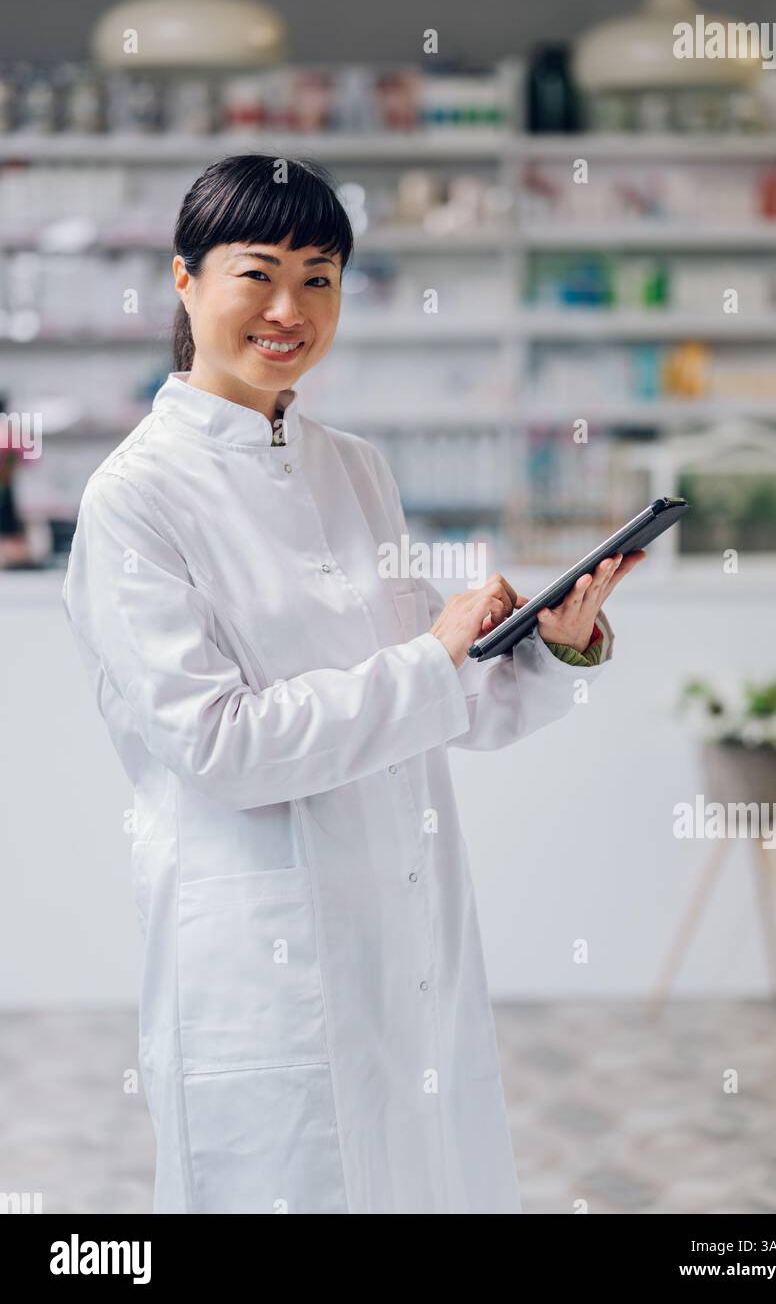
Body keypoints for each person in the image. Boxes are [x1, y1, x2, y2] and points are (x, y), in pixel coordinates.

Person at [61, 154, 644, 1214]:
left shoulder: (357, 469)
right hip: (260, 955)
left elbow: (436, 703)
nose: (291, 309)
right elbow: (225, 748)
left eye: (321, 278)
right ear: (186, 282)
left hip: (405, 926)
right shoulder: (132, 499)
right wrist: (432, 658)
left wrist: (546, 644)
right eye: (260, 273)